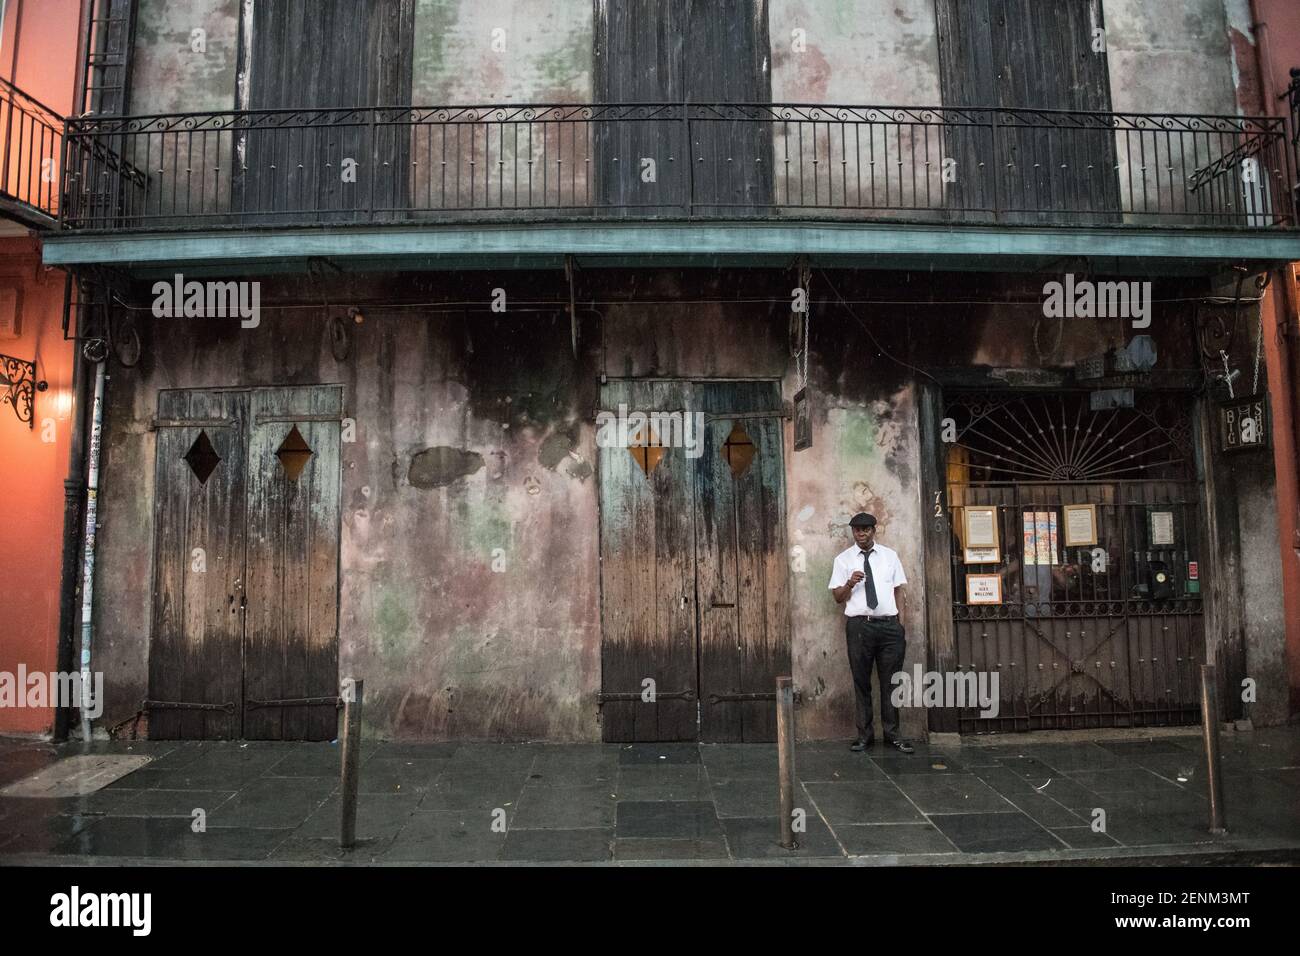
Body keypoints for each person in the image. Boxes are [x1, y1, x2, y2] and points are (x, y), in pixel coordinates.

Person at [827, 513, 914, 754]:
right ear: (853, 533)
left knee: (891, 682)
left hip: (889, 626)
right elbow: (837, 597)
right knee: (861, 682)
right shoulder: (843, 560)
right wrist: (850, 583)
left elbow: (899, 591)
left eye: (865, 529)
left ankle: (893, 734)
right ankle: (864, 735)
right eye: (856, 530)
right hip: (859, 627)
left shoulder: (890, 556)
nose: (861, 534)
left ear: (874, 530)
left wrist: (900, 624)